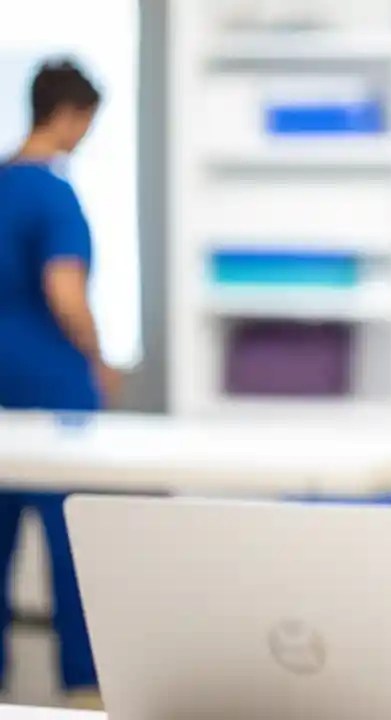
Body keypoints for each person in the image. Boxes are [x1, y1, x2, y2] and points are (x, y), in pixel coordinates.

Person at [0, 58, 115, 707]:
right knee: (77, 546)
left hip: (3, 392)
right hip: (52, 390)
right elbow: (66, 293)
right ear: (71, 115)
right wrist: (99, 359)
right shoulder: (53, 191)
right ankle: (84, 688)